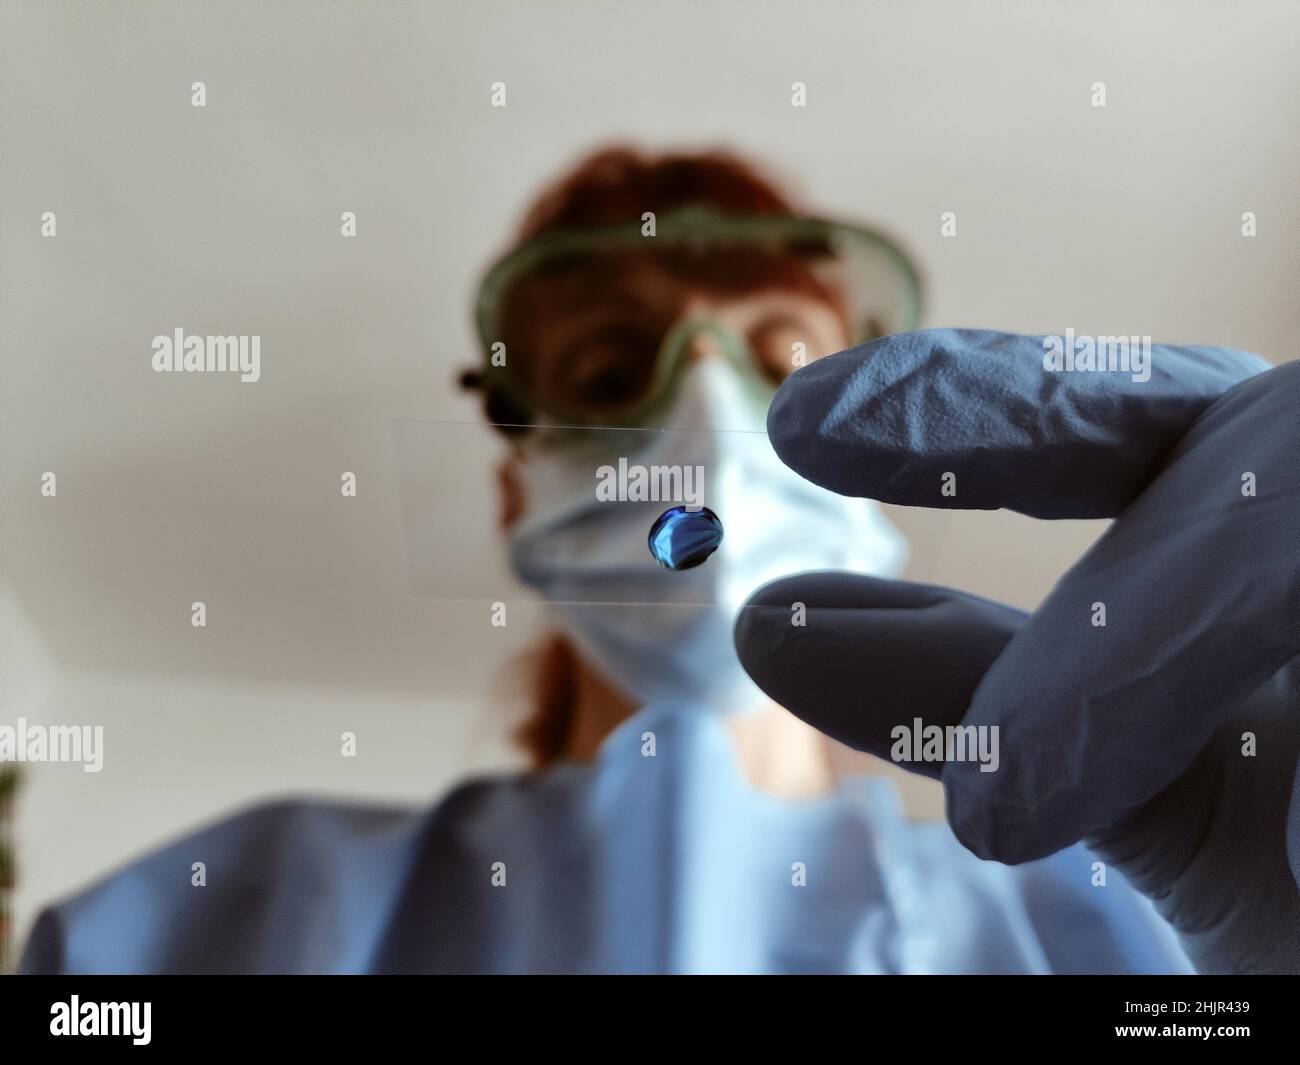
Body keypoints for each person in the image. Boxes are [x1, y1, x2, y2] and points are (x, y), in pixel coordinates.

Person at [21, 146, 1293, 974]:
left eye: (786, 363)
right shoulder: (205, 929)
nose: (708, 426)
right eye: (607, 374)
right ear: (518, 484)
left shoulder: (1138, 924)